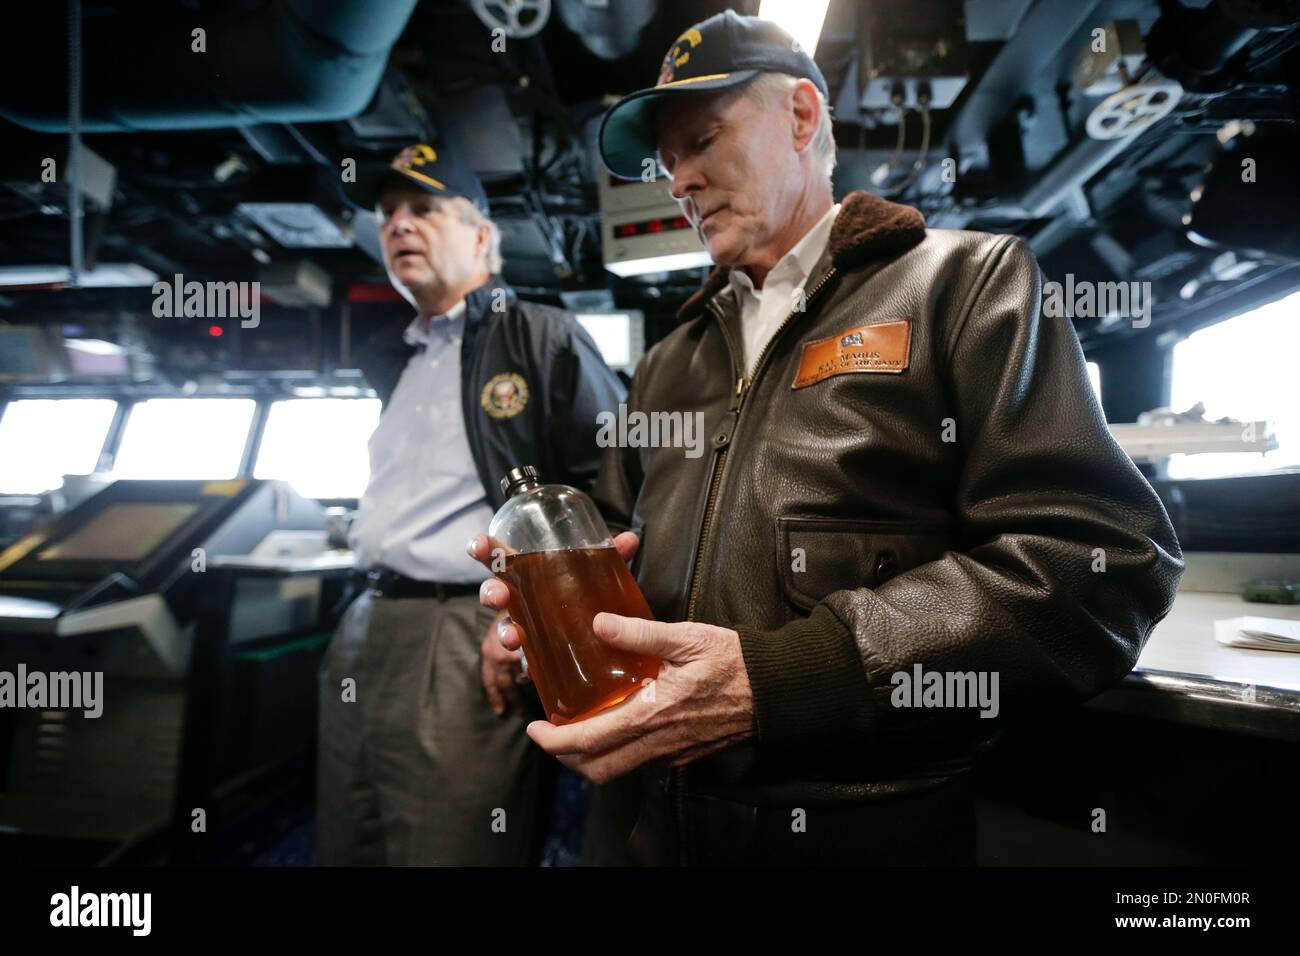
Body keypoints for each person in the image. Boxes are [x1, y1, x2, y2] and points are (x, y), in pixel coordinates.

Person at [471, 11, 1184, 865]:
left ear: (803, 117)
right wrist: (549, 620)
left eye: (702, 140)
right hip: (642, 828)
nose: (681, 182)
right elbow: (618, 551)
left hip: (855, 831)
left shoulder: (963, 283)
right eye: (666, 165)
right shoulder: (668, 361)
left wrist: (782, 682)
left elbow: (1095, 562)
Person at [317, 143, 625, 865]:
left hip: (464, 630)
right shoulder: (398, 357)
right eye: (388, 213)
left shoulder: (540, 334)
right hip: (364, 624)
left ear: (483, 236)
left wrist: (533, 616)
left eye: (424, 209)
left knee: (450, 846)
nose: (398, 226)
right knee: (348, 838)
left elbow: (615, 491)